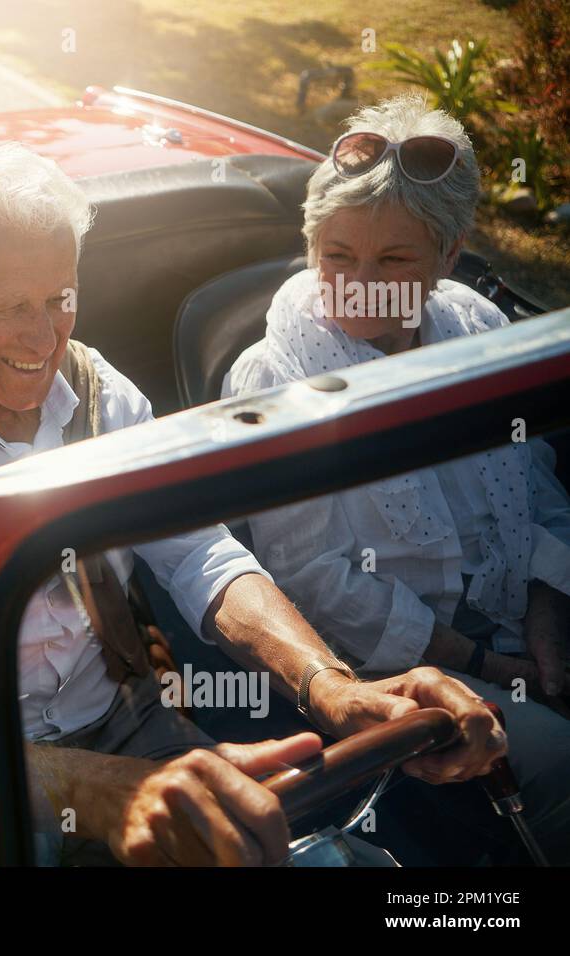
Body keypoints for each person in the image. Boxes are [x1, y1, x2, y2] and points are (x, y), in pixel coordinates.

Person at [0, 141, 507, 866]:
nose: (44, 340)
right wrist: (113, 796)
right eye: (10, 307)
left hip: (131, 725)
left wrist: (331, 690)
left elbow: (200, 552)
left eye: (59, 298)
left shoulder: (102, 392)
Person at [223, 94, 570, 863]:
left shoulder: (477, 328)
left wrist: (548, 628)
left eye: (394, 261)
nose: (357, 284)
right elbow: (318, 581)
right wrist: (490, 667)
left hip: (528, 623)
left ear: (449, 259)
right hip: (407, 672)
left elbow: (539, 484)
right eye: (338, 255)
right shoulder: (271, 375)